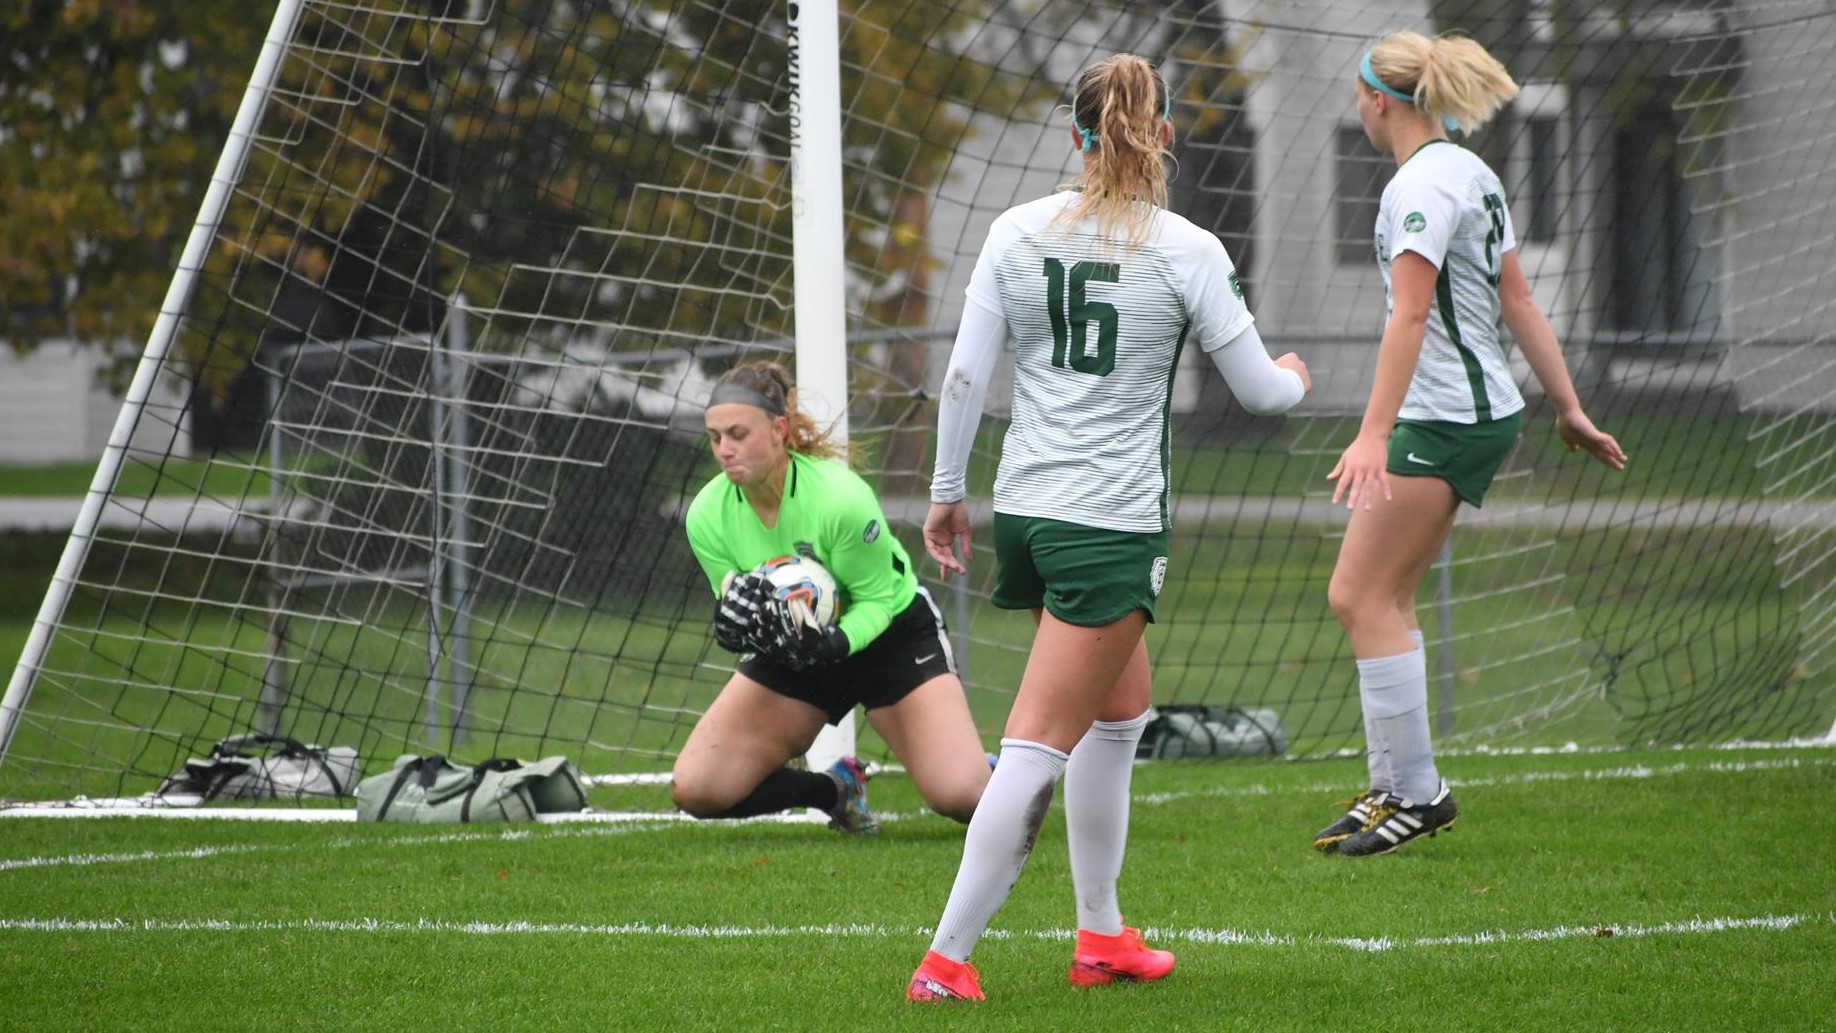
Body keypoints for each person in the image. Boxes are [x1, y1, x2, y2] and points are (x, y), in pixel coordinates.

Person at [907, 55, 1311, 1002]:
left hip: (1034, 512)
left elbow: (964, 378)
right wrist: (1295, 375)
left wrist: (943, 489)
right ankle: (945, 958)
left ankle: (1102, 937)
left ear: (1075, 132)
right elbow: (1259, 394)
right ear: (1163, 134)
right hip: (1109, 521)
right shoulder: (1185, 247)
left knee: (1121, 712)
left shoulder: (1015, 231)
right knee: (1041, 740)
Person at [1314, 32, 1626, 858]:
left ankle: (1416, 793)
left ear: (1379, 99)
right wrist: (1567, 405)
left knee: (1360, 596)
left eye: (1358, 95)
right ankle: (1396, 786)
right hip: (1474, 409)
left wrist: (1374, 432)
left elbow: (1411, 315)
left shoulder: (1418, 186)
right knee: (1383, 599)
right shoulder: (1472, 172)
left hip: (1443, 416)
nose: (1358, 107)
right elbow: (1517, 298)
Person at [671, 360, 991, 834]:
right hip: (797, 653)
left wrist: (837, 644)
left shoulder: (840, 500)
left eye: (738, 434)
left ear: (780, 430)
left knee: (964, 797)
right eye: (716, 437)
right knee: (697, 788)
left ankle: (1001, 772)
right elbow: (738, 601)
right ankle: (837, 791)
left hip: (890, 638)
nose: (724, 450)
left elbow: (879, 601)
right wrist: (733, 624)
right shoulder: (706, 516)